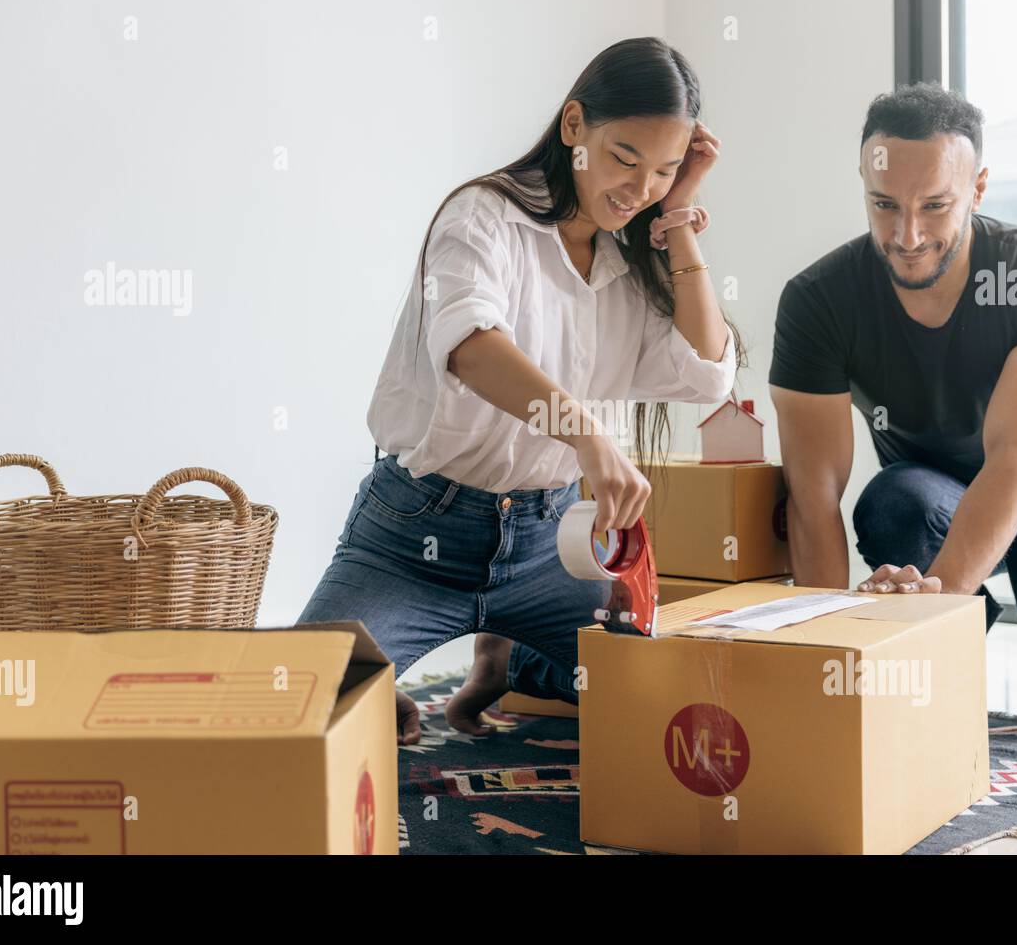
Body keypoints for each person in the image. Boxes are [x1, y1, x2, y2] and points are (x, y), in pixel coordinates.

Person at [299, 37, 739, 743]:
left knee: (670, 703)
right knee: (309, 702)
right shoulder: (480, 217)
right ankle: (388, 679)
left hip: (547, 548)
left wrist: (678, 217)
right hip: (414, 538)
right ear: (574, 128)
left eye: (663, 170)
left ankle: (511, 659)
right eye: (625, 157)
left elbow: (708, 368)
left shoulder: (627, 261)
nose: (638, 187)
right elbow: (473, 348)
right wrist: (586, 433)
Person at [768, 82, 1017, 731]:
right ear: (863, 180)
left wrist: (928, 606)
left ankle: (948, 616)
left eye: (935, 206)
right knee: (892, 503)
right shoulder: (817, 301)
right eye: (883, 204)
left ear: (978, 188)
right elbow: (813, 494)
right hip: (927, 493)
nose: (907, 234)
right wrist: (825, 651)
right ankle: (943, 658)